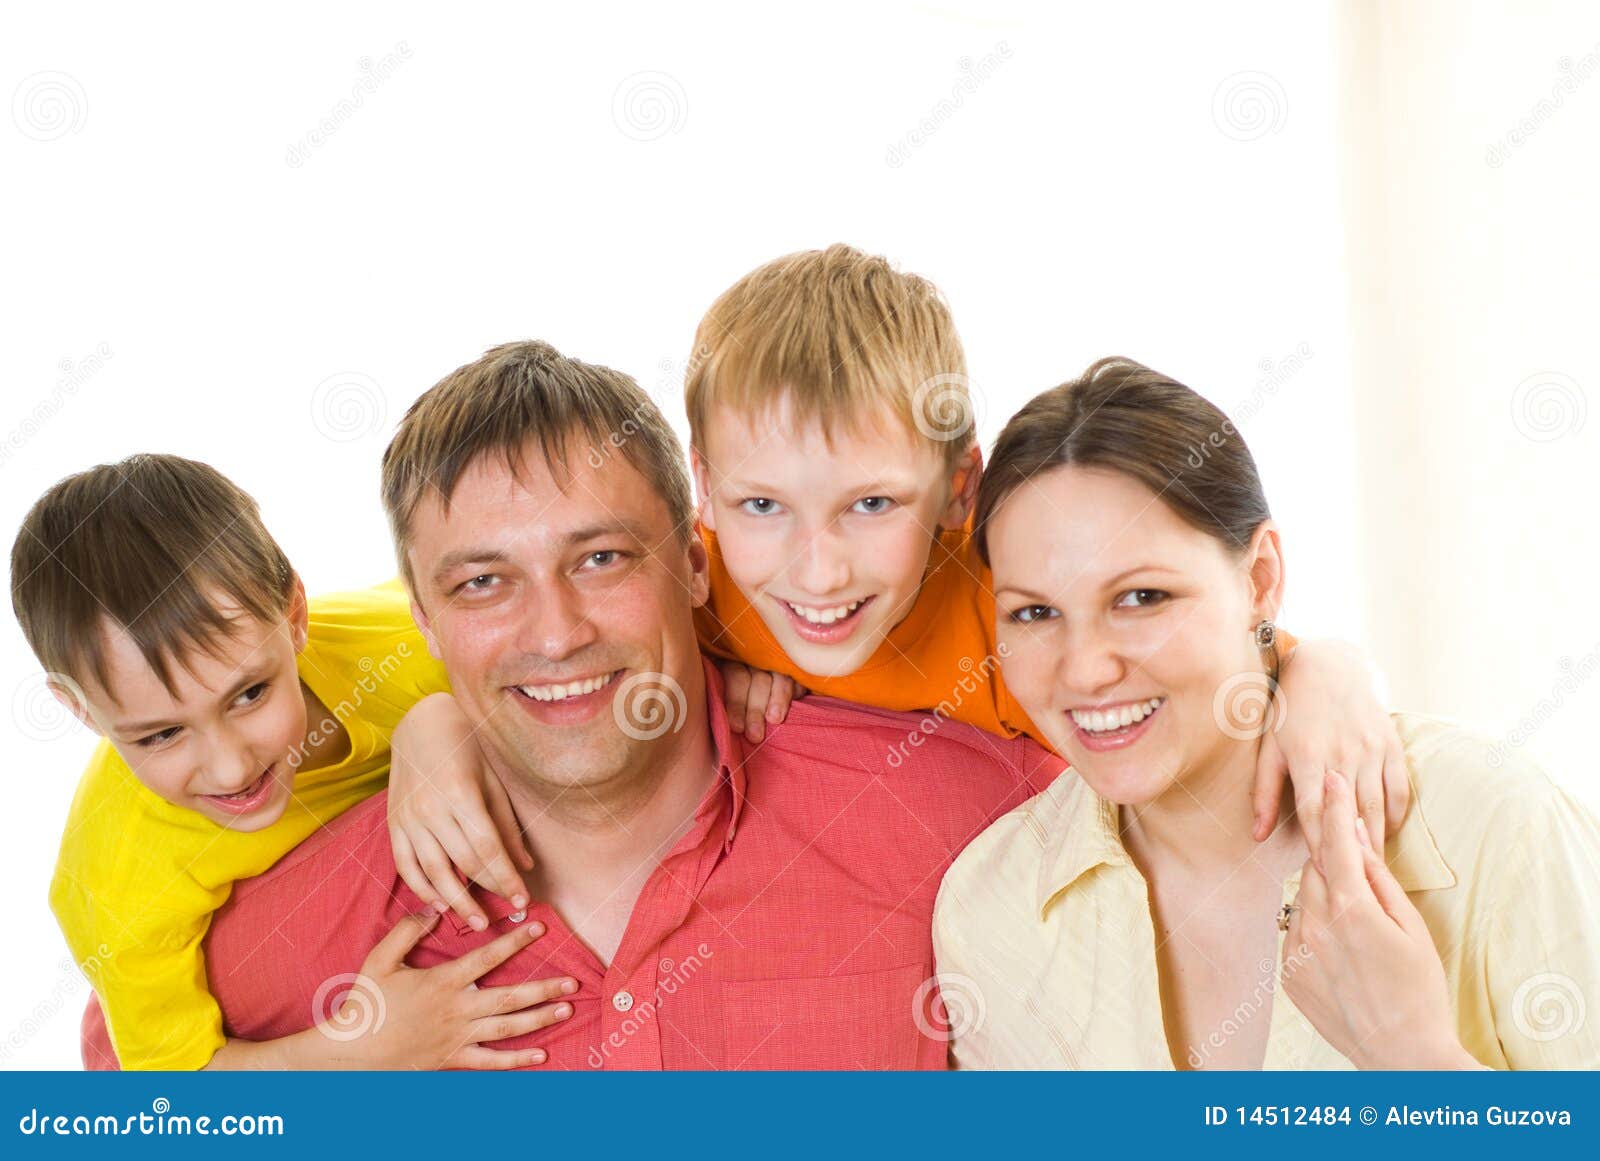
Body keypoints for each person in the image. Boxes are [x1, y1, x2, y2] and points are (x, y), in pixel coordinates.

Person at [79, 340, 1062, 1070]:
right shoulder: (280, 940)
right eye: (482, 584)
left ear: (690, 560)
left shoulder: (970, 813)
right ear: (419, 616)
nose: (554, 633)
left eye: (600, 559)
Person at [389, 245, 1413, 925]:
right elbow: (490, 626)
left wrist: (1329, 672)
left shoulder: (1017, 620)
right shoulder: (684, 579)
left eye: (871, 506)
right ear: (706, 492)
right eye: (761, 507)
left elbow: (1210, 655)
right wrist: (431, 731)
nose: (816, 571)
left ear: (956, 489)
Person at [932, 357, 1600, 1069]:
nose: (1087, 668)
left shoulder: (1497, 830)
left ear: (1260, 578)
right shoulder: (990, 912)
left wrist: (1414, 1057)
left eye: (1142, 597)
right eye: (1035, 612)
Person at [12, 455, 571, 1070]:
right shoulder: (111, 873)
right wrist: (361, 1051)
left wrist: (435, 722)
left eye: (249, 695)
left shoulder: (398, 650)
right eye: (163, 735)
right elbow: (177, 1090)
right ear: (80, 710)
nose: (229, 768)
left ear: (294, 617)